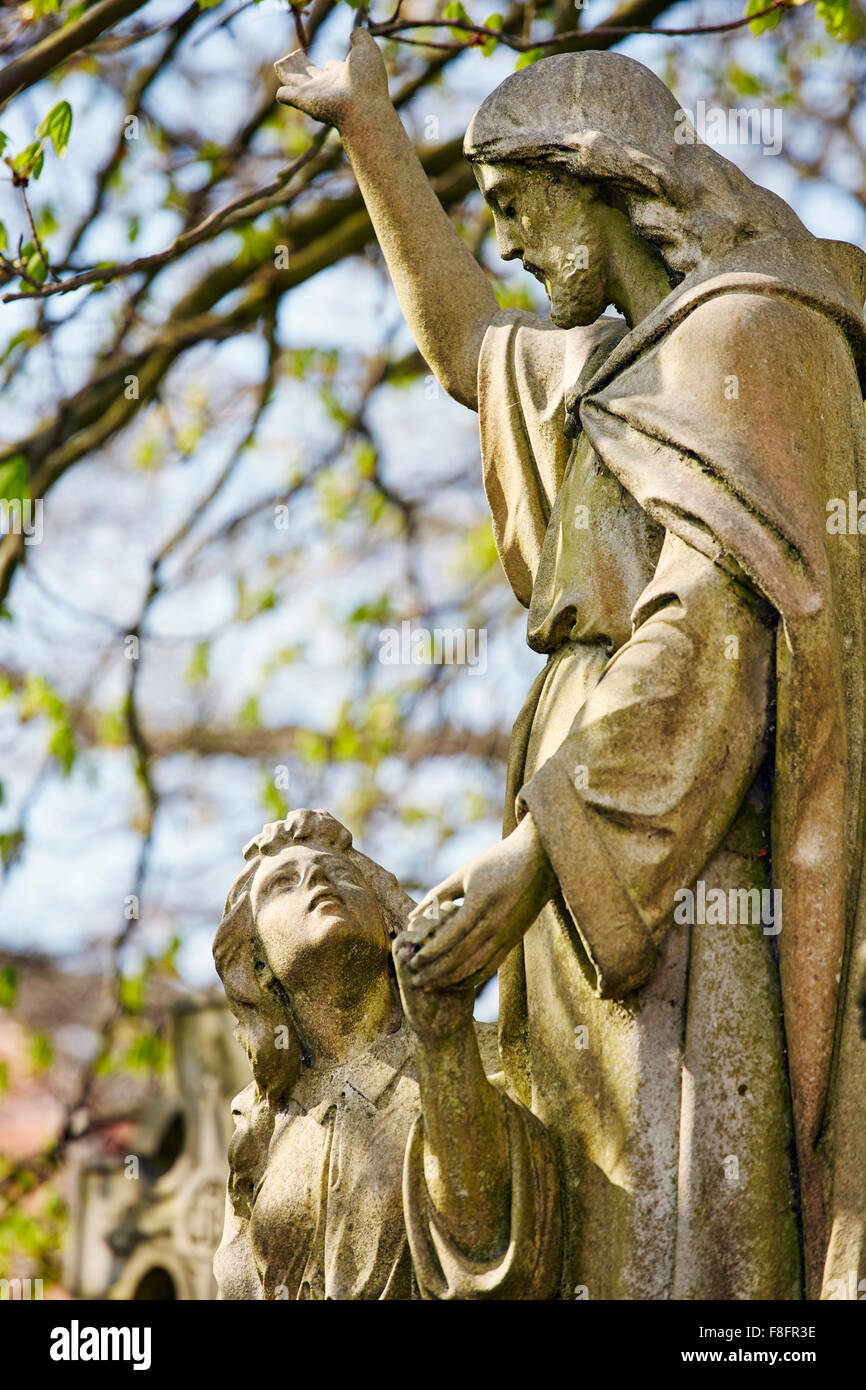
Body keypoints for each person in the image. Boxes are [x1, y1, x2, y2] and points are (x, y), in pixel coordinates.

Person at [275, 31, 866, 1300]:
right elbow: (465, 350)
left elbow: (709, 630)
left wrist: (535, 855)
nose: (499, 239)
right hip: (580, 848)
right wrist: (368, 131)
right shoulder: (620, 366)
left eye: (507, 203)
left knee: (691, 1216)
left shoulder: (749, 332)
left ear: (588, 173)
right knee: (604, 1221)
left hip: (690, 862)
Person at [212, 808, 560, 1300]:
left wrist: (446, 1048)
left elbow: (502, 1241)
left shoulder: (479, 1053)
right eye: (283, 884)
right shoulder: (260, 1121)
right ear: (259, 965)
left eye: (339, 874)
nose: (315, 879)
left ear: (390, 924)